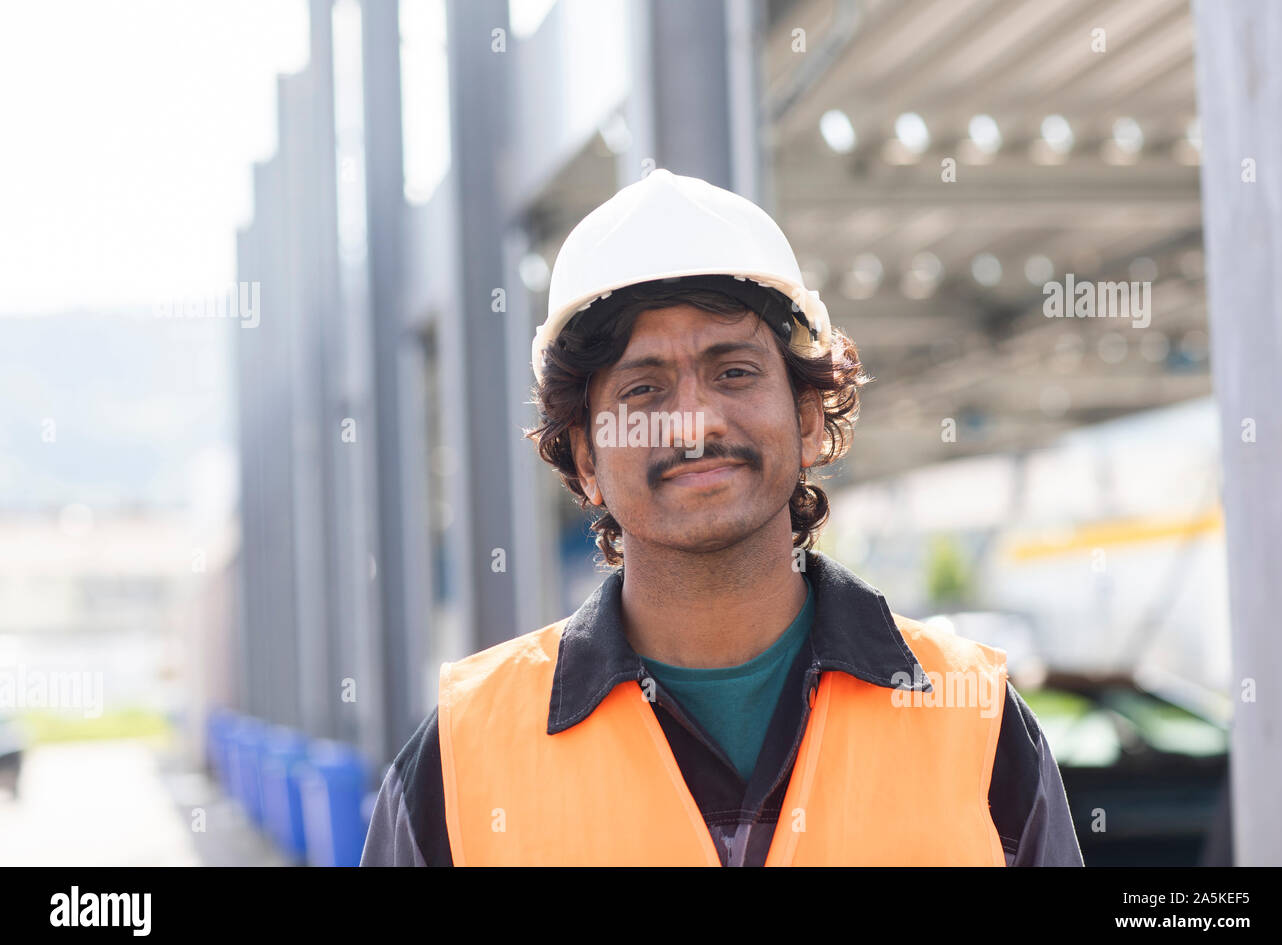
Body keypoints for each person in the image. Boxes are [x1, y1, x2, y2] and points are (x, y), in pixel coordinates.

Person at [361, 169, 1084, 866]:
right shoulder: (463, 759)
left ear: (806, 419)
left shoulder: (978, 726)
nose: (694, 423)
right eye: (644, 388)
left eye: (733, 372)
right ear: (586, 459)